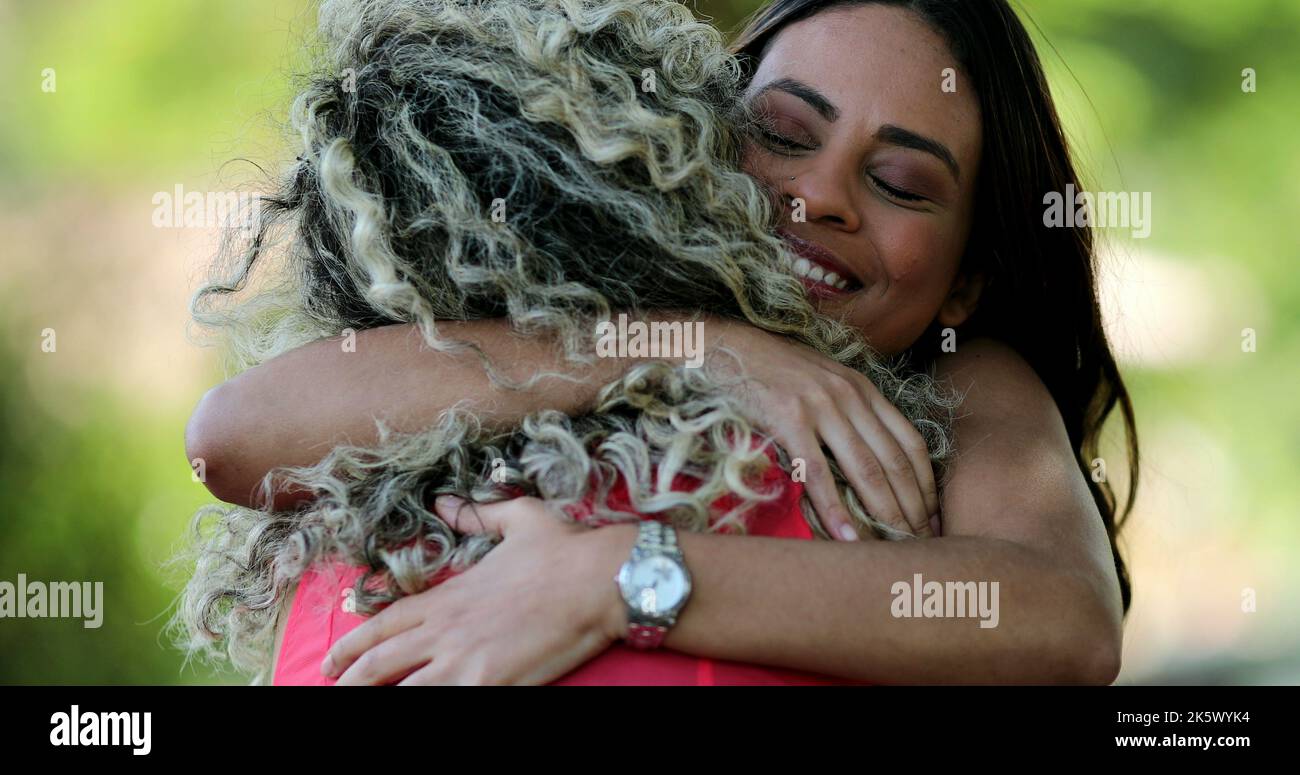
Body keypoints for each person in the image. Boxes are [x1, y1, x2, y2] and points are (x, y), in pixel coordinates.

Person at [184, 0, 1137, 685]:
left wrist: (618, 578)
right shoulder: (568, 306)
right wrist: (701, 348)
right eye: (783, 132)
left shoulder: (955, 383)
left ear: (967, 275)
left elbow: (1064, 620)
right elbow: (233, 434)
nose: (822, 195)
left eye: (899, 182)